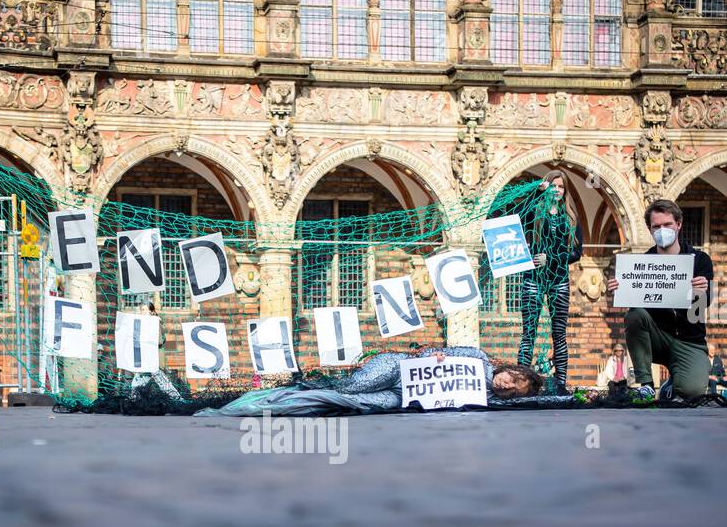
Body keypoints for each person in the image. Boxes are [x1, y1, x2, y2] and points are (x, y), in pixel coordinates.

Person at [194, 347, 546, 417]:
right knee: (348, 388)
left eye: (515, 390)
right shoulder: (478, 360)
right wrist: (435, 357)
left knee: (355, 406)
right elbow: (435, 349)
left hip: (403, 398)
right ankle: (277, 394)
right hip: (398, 369)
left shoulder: (486, 399)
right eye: (513, 379)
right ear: (510, 369)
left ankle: (279, 405)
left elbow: (546, 401)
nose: (507, 386)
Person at [607, 198, 713, 402]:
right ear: (649, 229)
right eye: (656, 226)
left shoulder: (700, 260)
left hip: (690, 340)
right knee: (634, 315)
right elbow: (637, 310)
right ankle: (646, 384)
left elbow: (702, 307)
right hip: (657, 337)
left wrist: (701, 292)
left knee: (692, 393)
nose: (662, 230)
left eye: (667, 225)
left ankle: (673, 384)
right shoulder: (642, 263)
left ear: (678, 225)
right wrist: (622, 289)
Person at [516, 171, 583, 395]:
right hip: (533, 279)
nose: (557, 190)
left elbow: (576, 253)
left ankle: (561, 383)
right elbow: (517, 215)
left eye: (561, 187)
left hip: (558, 281)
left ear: (566, 191)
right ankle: (522, 381)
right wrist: (537, 191)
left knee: (559, 334)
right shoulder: (534, 212)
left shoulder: (571, 217)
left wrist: (552, 258)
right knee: (528, 333)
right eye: (553, 186)